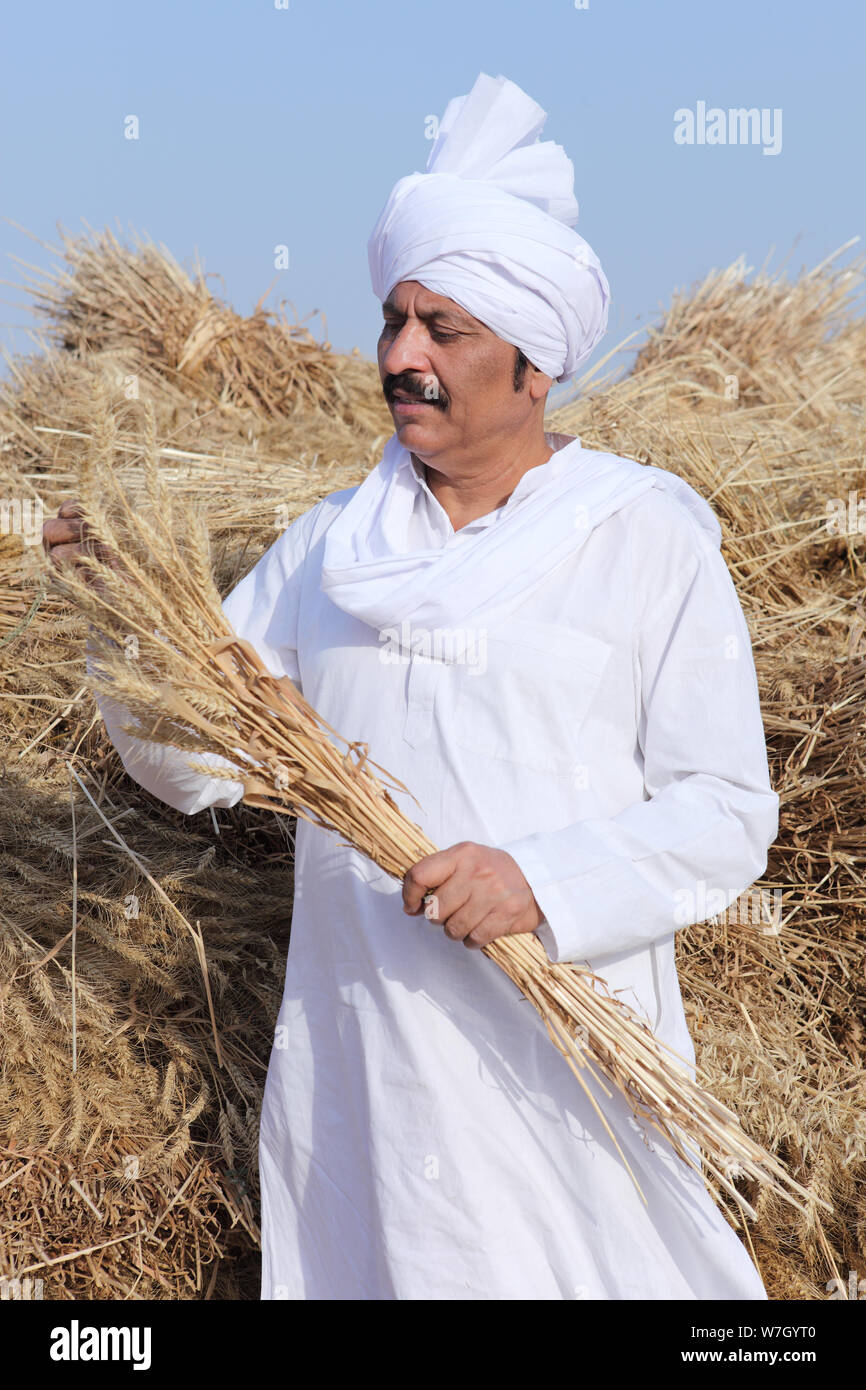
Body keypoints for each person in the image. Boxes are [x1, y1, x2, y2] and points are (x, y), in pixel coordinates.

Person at [43, 72, 778, 1300]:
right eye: (393, 321)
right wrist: (128, 626)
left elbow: (722, 810)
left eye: (445, 331)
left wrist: (539, 881)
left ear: (534, 364)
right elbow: (193, 763)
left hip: (565, 1055)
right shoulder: (328, 550)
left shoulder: (641, 537)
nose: (401, 357)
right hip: (366, 1060)